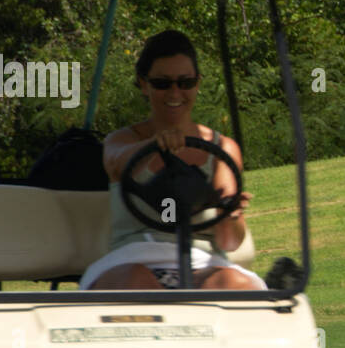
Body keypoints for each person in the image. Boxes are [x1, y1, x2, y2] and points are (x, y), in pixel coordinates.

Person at [79, 29, 265, 290]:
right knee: (138, 282)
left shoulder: (222, 149)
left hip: (202, 263)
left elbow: (230, 243)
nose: (175, 93)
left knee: (233, 284)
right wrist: (154, 144)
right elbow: (117, 163)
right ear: (144, 84)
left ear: (197, 83)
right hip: (133, 259)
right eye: (162, 83)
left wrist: (231, 215)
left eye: (185, 82)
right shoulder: (121, 142)